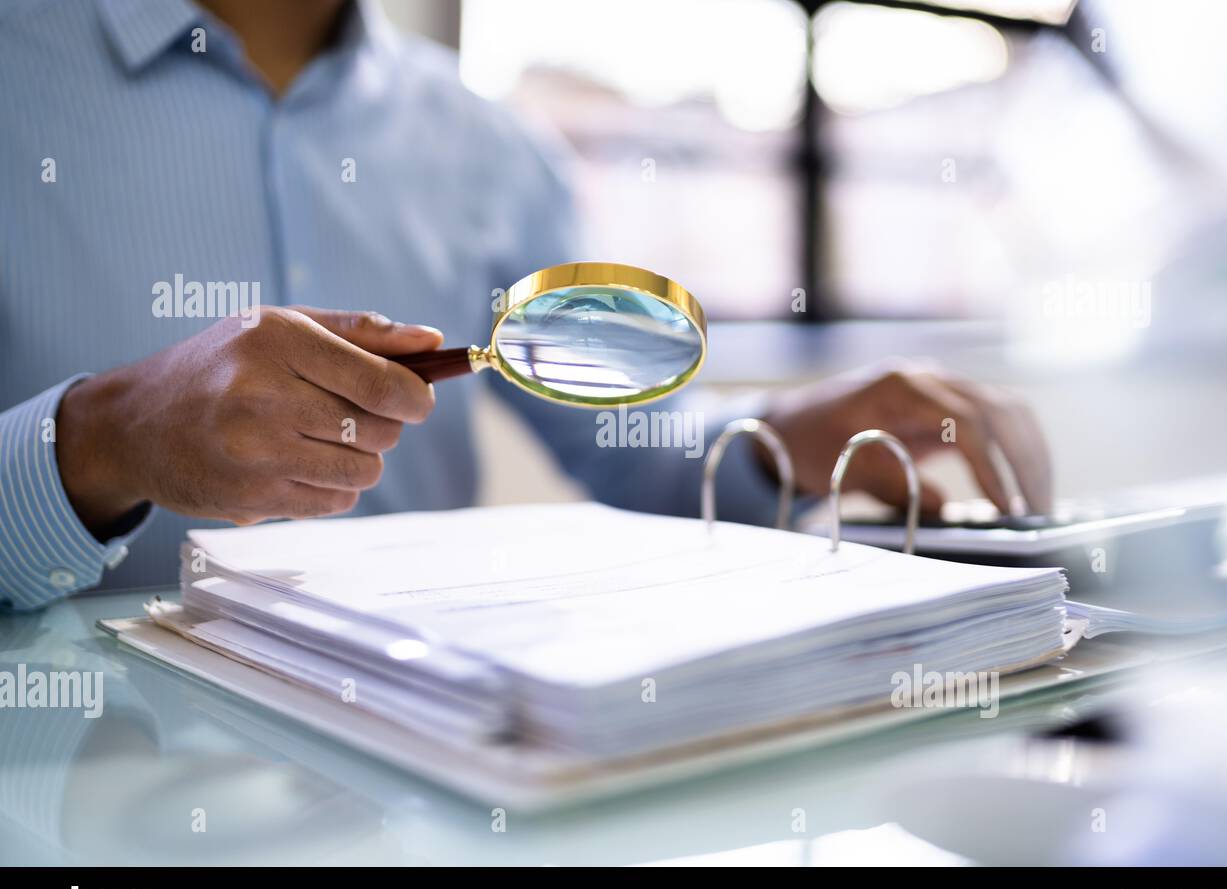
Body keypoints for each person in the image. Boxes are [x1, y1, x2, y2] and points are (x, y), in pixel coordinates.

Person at [0, 0, 1051, 612]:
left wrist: (781, 443)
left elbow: (618, 446)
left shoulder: (488, 143)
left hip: (426, 748)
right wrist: (99, 441)